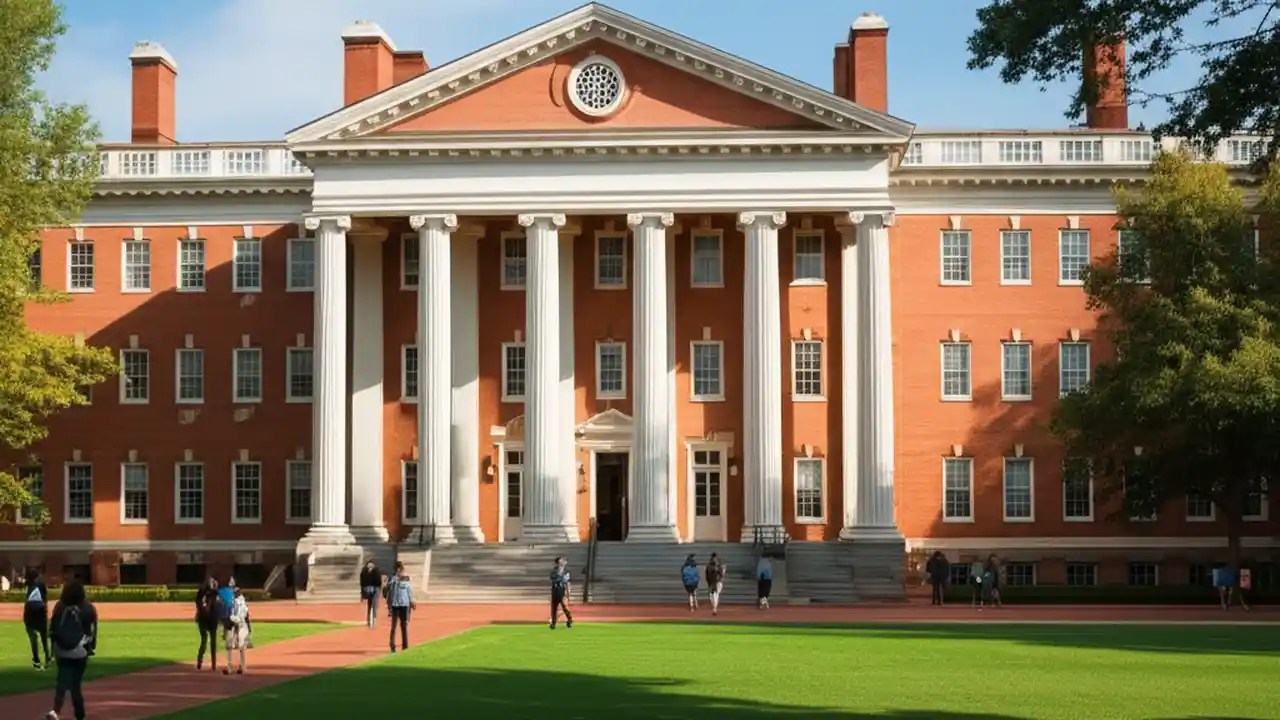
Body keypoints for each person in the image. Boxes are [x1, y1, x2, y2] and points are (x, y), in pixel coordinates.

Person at [45, 580, 97, 720]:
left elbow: (52, 630)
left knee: (62, 680)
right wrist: (91, 648)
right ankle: (80, 716)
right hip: (81, 651)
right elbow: (93, 631)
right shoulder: (88, 607)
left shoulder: (60, 606)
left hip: (62, 650)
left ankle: (56, 711)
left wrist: (51, 651)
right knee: (75, 686)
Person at [384, 561, 415, 651]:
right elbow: (388, 589)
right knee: (393, 626)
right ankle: (392, 644)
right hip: (395, 605)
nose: (400, 571)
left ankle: (405, 645)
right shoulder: (392, 579)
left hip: (404, 605)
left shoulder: (406, 578)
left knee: (404, 626)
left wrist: (412, 600)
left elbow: (409, 589)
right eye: (399, 569)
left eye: (401, 569)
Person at [24, 568, 51, 669]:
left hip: (29, 613)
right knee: (44, 636)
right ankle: (47, 658)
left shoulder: (29, 585)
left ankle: (36, 659)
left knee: (33, 638)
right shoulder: (41, 585)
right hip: (40, 612)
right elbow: (45, 600)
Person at [222, 585, 250, 675]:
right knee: (229, 645)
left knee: (241, 645)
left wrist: (248, 628)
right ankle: (229, 665)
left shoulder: (241, 602)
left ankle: (242, 665)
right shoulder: (231, 601)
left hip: (240, 624)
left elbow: (245, 615)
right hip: (232, 624)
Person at [194, 577, 221, 671]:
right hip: (212, 620)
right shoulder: (215, 593)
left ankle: (199, 661)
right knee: (213, 642)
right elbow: (218, 605)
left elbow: (198, 604)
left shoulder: (201, 593)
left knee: (204, 641)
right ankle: (213, 664)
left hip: (202, 620)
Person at [549, 556, 573, 629]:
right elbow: (553, 579)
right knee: (554, 608)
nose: (563, 562)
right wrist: (561, 578)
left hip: (562, 591)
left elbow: (567, 582)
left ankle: (569, 620)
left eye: (564, 561)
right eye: (562, 560)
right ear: (558, 562)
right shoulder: (554, 571)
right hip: (555, 591)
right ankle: (553, 623)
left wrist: (568, 592)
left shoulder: (566, 571)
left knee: (565, 607)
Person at [359, 560, 383, 630]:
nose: (370, 566)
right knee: (370, 605)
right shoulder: (364, 571)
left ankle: (373, 618)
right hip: (368, 589)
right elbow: (362, 582)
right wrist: (363, 593)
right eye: (369, 565)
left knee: (375, 605)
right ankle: (369, 620)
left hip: (376, 589)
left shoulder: (377, 571)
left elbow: (378, 581)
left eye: (371, 565)